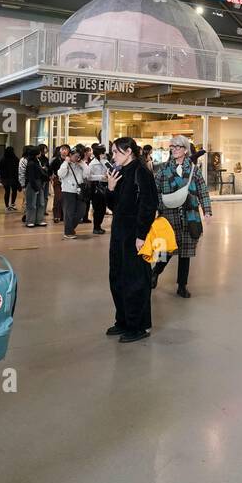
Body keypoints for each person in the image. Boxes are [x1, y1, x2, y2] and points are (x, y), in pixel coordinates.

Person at [105, 138, 158, 343]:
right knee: (117, 276)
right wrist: (110, 188)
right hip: (119, 233)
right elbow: (114, 206)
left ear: (128, 152)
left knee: (135, 280)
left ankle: (138, 326)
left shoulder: (141, 172)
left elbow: (148, 204)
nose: (113, 156)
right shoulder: (120, 172)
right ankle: (123, 320)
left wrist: (141, 236)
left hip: (135, 235)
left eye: (116, 152)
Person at [151, 135, 212, 297]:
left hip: (189, 215)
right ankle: (155, 272)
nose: (175, 149)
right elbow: (155, 191)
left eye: (178, 147)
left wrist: (207, 211)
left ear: (185, 150)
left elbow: (202, 191)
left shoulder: (193, 169)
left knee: (185, 252)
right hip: (168, 216)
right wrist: (157, 210)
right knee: (166, 249)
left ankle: (182, 286)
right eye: (172, 146)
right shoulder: (163, 169)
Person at [57, 146, 86, 240]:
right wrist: (66, 162)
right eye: (75, 156)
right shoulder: (65, 164)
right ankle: (68, 232)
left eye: (78, 156)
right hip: (68, 191)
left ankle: (69, 228)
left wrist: (82, 163)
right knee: (69, 212)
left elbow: (87, 174)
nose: (76, 158)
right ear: (70, 155)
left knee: (82, 210)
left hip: (79, 191)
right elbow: (60, 174)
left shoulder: (80, 165)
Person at [20, 145, 49, 227]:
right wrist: (36, 188)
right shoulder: (31, 163)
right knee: (31, 204)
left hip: (39, 184)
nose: (41, 152)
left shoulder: (37, 161)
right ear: (36, 153)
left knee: (41, 203)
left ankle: (39, 220)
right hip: (32, 185)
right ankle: (30, 221)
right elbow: (31, 178)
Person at [86, 145, 109, 234]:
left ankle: (99, 226)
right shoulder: (92, 164)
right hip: (96, 187)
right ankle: (96, 227)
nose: (104, 154)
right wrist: (101, 177)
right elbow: (88, 177)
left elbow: (111, 169)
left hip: (104, 186)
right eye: (103, 153)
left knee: (103, 208)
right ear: (99, 154)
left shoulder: (105, 161)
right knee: (97, 208)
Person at [49, 145, 70, 225]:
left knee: (65, 198)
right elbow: (50, 169)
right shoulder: (55, 160)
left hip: (67, 181)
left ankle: (63, 215)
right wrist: (51, 176)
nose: (64, 151)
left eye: (66, 150)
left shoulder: (70, 160)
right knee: (58, 197)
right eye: (63, 149)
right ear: (60, 151)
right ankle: (56, 216)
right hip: (58, 180)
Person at [0, 146, 20, 212]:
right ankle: (12, 204)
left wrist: (1, 177)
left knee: (7, 192)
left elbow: (0, 169)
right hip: (14, 178)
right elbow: (18, 169)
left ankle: (7, 206)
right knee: (14, 191)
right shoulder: (16, 159)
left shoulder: (3, 159)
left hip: (5, 178)